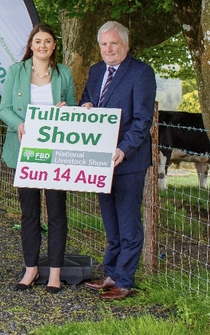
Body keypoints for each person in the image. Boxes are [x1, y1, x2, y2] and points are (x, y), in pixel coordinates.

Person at [0, 23, 76, 293]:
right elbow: (4, 108)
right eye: (38, 41)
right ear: (31, 45)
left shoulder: (63, 73)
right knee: (29, 212)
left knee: (57, 212)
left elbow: (74, 109)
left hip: (55, 153)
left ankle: (55, 272)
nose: (42, 45)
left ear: (54, 46)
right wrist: (18, 122)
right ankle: (31, 268)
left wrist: (68, 109)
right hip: (25, 152)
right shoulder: (15, 72)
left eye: (48, 41)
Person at [80, 21, 155, 300]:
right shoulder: (96, 71)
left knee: (128, 222)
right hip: (100, 158)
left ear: (125, 45)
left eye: (114, 43)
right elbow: (87, 101)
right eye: (104, 44)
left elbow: (142, 119)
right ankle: (111, 273)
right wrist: (84, 106)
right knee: (110, 222)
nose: (108, 49)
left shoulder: (141, 73)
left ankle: (125, 280)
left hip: (128, 160)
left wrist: (124, 149)